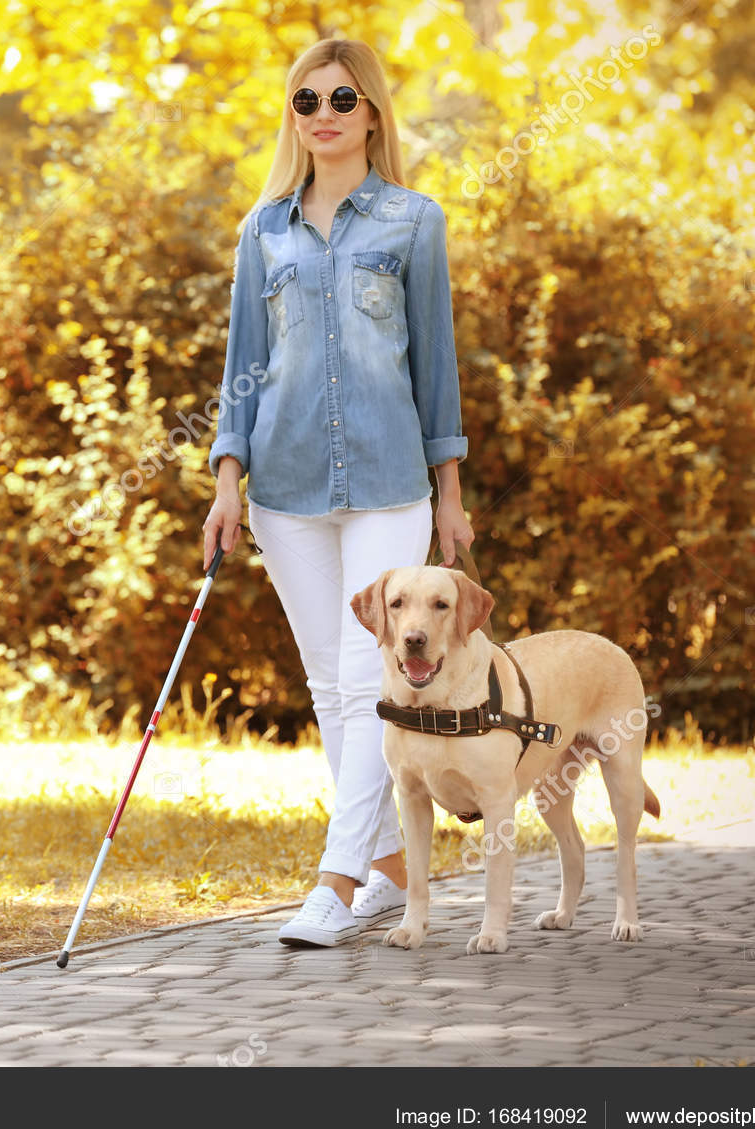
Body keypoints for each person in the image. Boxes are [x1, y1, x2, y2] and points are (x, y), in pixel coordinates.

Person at [202, 37, 475, 947]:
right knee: (331, 684)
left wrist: (450, 492)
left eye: (341, 99)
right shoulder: (262, 229)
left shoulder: (412, 221)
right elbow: (243, 366)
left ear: (372, 113)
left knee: (371, 677)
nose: (322, 115)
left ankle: (337, 877)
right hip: (282, 487)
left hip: (392, 478)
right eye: (305, 101)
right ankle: (397, 868)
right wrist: (227, 483)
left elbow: (435, 366)